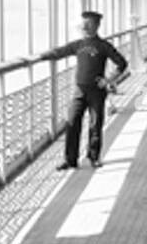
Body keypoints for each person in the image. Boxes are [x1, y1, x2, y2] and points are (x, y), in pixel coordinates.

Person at [53, 10, 128, 170]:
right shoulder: (78, 45)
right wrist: (38, 57)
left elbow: (122, 63)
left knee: (95, 125)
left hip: (96, 92)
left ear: (96, 26)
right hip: (79, 91)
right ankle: (70, 160)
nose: (84, 27)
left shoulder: (103, 46)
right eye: (83, 23)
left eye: (88, 24)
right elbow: (59, 52)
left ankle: (94, 157)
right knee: (72, 122)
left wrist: (108, 79)